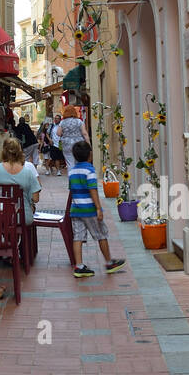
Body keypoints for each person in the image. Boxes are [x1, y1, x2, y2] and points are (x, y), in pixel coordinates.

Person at [68, 140, 125, 279]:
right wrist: (98, 208)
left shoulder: (72, 171)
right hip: (89, 210)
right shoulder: (90, 170)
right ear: (90, 155)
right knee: (101, 234)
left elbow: (72, 190)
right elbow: (92, 189)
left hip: (76, 210)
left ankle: (79, 266)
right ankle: (109, 262)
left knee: (78, 237)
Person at [0, 136, 41, 227]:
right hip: (22, 218)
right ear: (20, 151)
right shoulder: (28, 172)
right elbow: (35, 199)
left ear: (3, 151)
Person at [57, 104, 91, 174]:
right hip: (78, 144)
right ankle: (80, 177)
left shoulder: (62, 122)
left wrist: (66, 134)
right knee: (79, 161)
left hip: (66, 144)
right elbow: (84, 133)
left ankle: (72, 180)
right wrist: (88, 144)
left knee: (70, 163)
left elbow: (58, 133)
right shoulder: (79, 121)